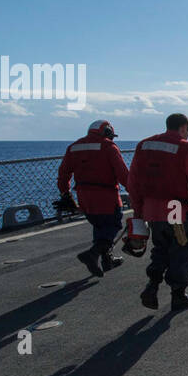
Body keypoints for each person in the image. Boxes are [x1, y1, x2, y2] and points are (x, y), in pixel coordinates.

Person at [126, 112, 188, 311]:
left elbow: (133, 181)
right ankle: (178, 294)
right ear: (183, 128)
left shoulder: (144, 145)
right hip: (175, 209)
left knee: (160, 248)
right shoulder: (184, 149)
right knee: (180, 249)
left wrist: (138, 210)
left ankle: (152, 286)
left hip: (152, 209)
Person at [57, 119, 129, 278]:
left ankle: (107, 259)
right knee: (113, 225)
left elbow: (63, 174)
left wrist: (65, 194)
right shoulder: (109, 147)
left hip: (84, 197)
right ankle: (92, 253)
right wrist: (136, 192)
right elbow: (123, 175)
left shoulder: (74, 147)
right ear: (107, 132)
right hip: (106, 196)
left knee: (99, 225)